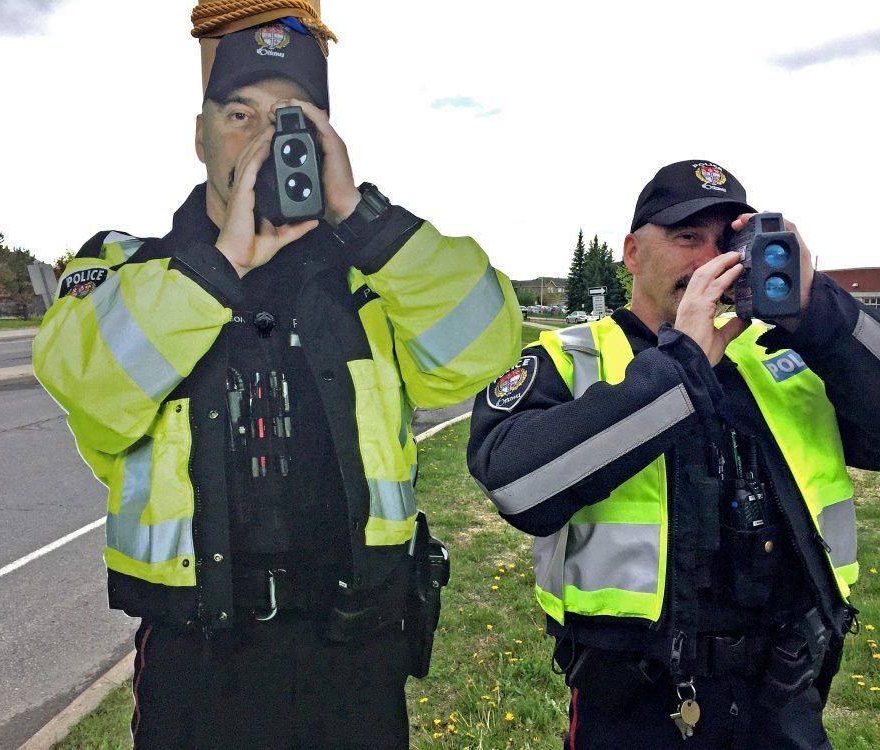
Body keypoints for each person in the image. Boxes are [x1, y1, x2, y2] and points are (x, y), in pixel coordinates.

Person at [33, 2, 521, 748]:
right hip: (200, 669)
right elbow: (87, 381)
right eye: (239, 114)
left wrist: (360, 216)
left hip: (354, 658)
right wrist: (217, 266)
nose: (264, 141)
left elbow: (485, 347)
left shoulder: (373, 272)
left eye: (292, 118)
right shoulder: (127, 269)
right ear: (198, 135)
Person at [467, 159, 880, 749]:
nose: (712, 260)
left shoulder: (780, 359)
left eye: (729, 241)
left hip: (784, 694)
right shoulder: (569, 357)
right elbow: (517, 486)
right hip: (635, 699)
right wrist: (680, 370)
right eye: (688, 238)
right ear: (632, 252)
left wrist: (819, 311)